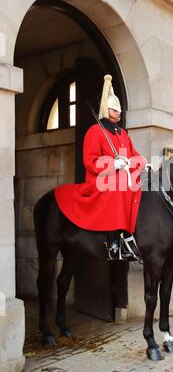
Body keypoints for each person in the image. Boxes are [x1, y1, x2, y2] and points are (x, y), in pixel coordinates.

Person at [54, 74, 147, 260]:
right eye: (114, 109)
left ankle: (134, 234)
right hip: (100, 179)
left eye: (119, 110)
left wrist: (142, 162)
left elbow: (134, 154)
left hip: (122, 177)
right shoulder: (95, 132)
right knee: (117, 188)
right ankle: (115, 240)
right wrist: (113, 164)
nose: (118, 113)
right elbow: (90, 160)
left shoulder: (123, 134)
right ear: (106, 109)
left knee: (140, 189)